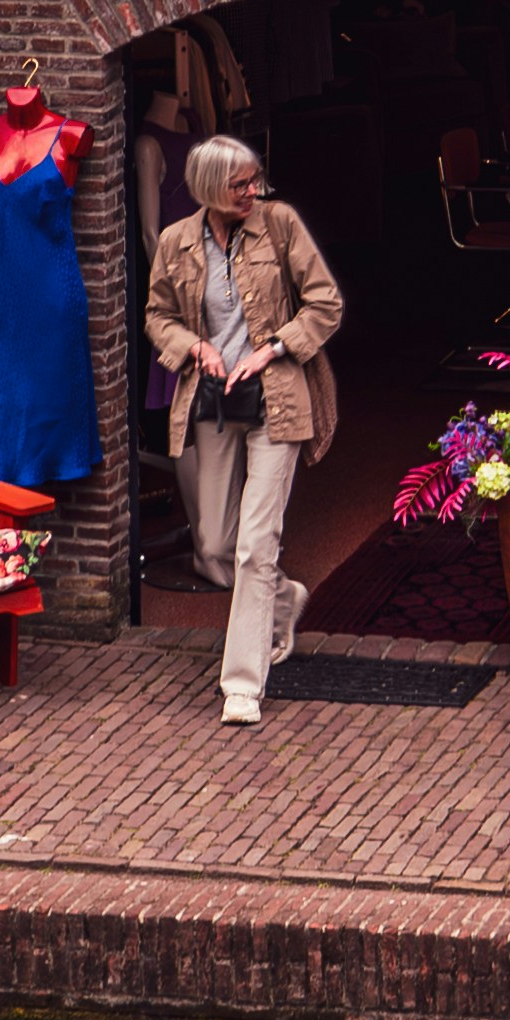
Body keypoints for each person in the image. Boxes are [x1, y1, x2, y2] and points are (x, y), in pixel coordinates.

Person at [143, 135, 342, 726]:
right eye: (241, 185)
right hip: (213, 402)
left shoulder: (279, 226)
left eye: (257, 180)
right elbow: (158, 316)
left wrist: (275, 348)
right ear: (209, 189)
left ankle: (243, 686)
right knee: (213, 546)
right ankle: (284, 598)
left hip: (278, 401)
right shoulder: (178, 242)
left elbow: (325, 304)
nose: (255, 191)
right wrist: (194, 346)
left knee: (257, 544)